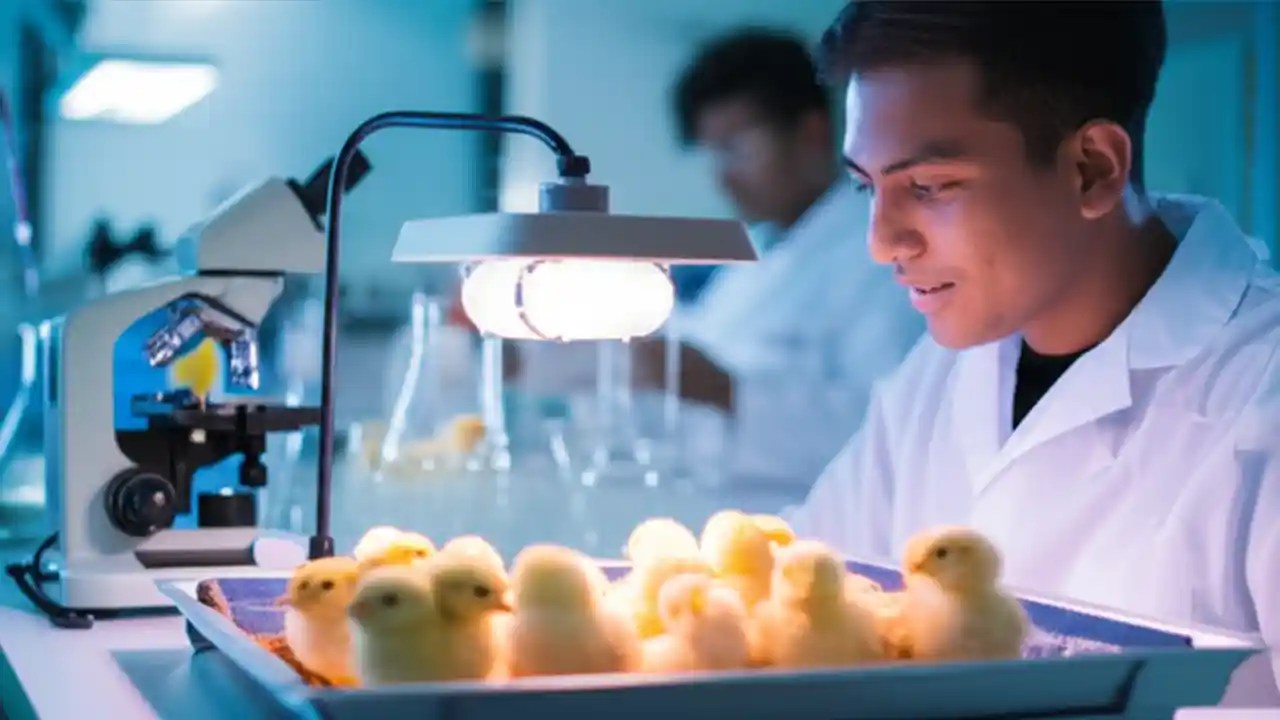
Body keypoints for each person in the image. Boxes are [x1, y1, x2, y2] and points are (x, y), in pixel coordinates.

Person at [786, 0, 1280, 701]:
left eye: (929, 187)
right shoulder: (939, 375)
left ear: (1092, 169)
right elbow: (801, 603)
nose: (882, 242)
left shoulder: (1261, 399)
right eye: (867, 186)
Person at [632, 28, 923, 485]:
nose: (723, 178)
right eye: (713, 155)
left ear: (812, 133)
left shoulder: (882, 260)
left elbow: (890, 433)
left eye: (738, 148)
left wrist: (725, 390)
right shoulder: (758, 258)